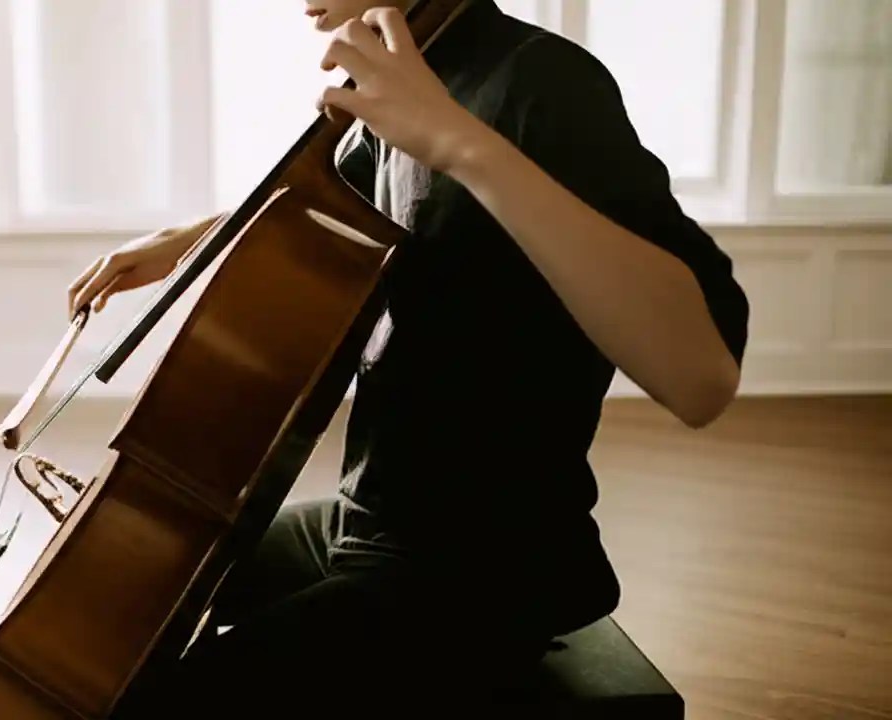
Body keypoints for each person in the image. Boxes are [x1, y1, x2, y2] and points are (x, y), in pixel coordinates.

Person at [69, 1, 750, 717]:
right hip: (372, 520)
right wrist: (188, 239)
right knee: (121, 591)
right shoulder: (410, 75)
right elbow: (314, 201)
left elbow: (700, 376)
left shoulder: (545, 83)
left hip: (479, 570)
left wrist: (461, 144)